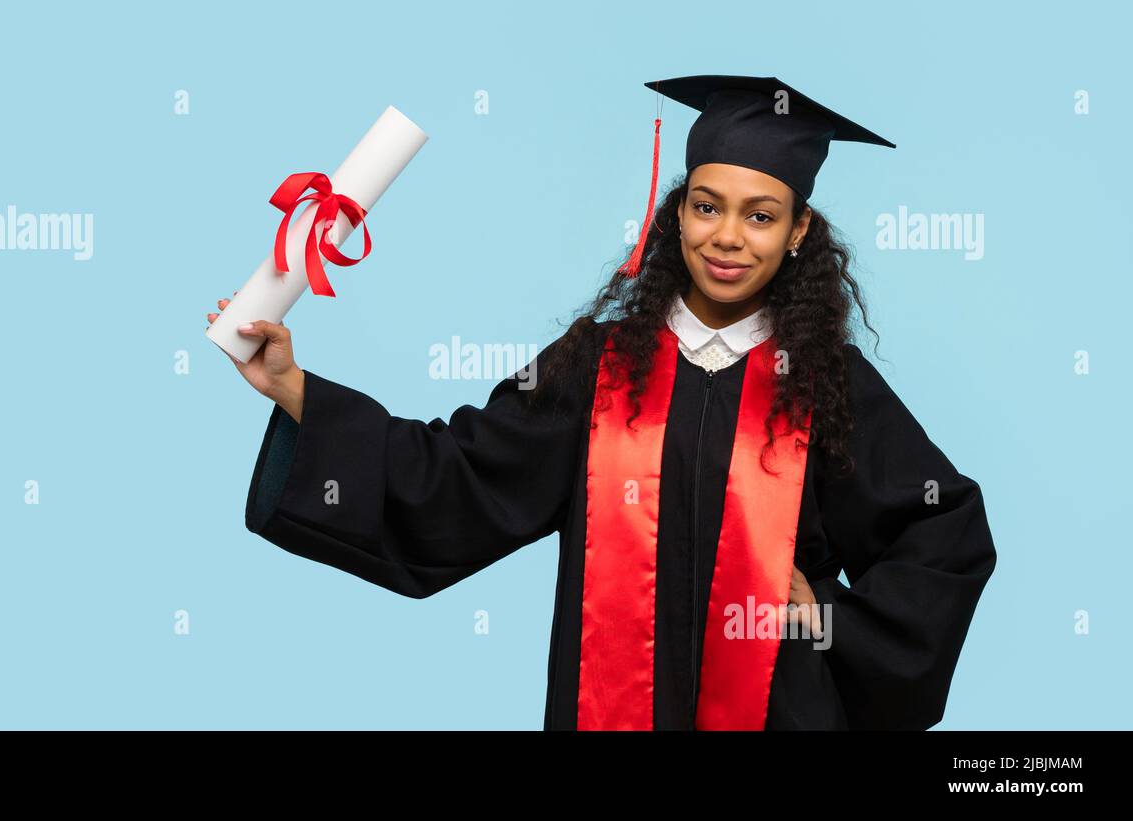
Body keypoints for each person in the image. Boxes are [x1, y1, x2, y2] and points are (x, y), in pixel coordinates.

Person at [206, 75, 997, 731]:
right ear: (677, 211)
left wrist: (825, 611)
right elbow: (459, 475)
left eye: (760, 216)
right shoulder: (600, 366)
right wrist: (295, 389)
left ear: (798, 231)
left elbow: (944, 536)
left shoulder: (826, 383)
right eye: (707, 205)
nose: (728, 237)